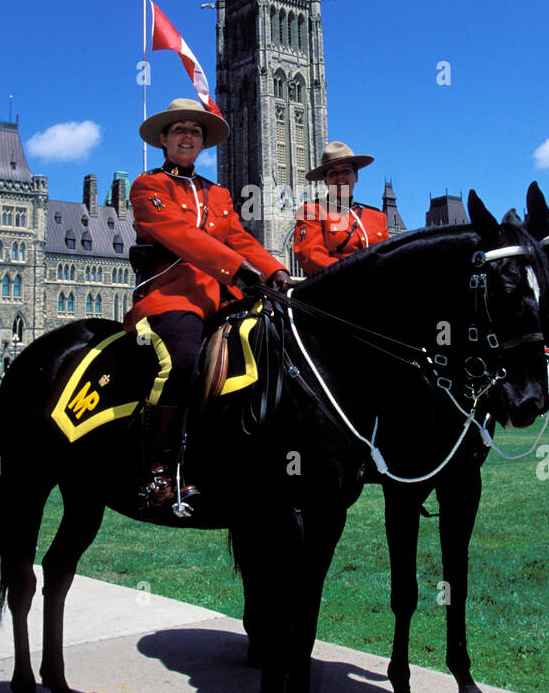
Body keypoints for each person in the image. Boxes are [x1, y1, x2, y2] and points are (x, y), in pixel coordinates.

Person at [125, 97, 292, 511]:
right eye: (179, 129)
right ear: (163, 139)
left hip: (221, 298)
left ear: (202, 143)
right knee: (180, 360)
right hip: (172, 296)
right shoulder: (149, 186)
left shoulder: (216, 194)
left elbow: (238, 238)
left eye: (195, 131)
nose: (188, 136)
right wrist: (235, 269)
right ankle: (156, 469)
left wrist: (275, 271)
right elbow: (181, 236)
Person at [294, 141, 389, 275]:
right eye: (333, 173)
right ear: (326, 180)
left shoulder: (377, 217)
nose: (340, 177)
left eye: (346, 171)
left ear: (356, 176)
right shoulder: (311, 212)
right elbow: (311, 258)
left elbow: (389, 256)